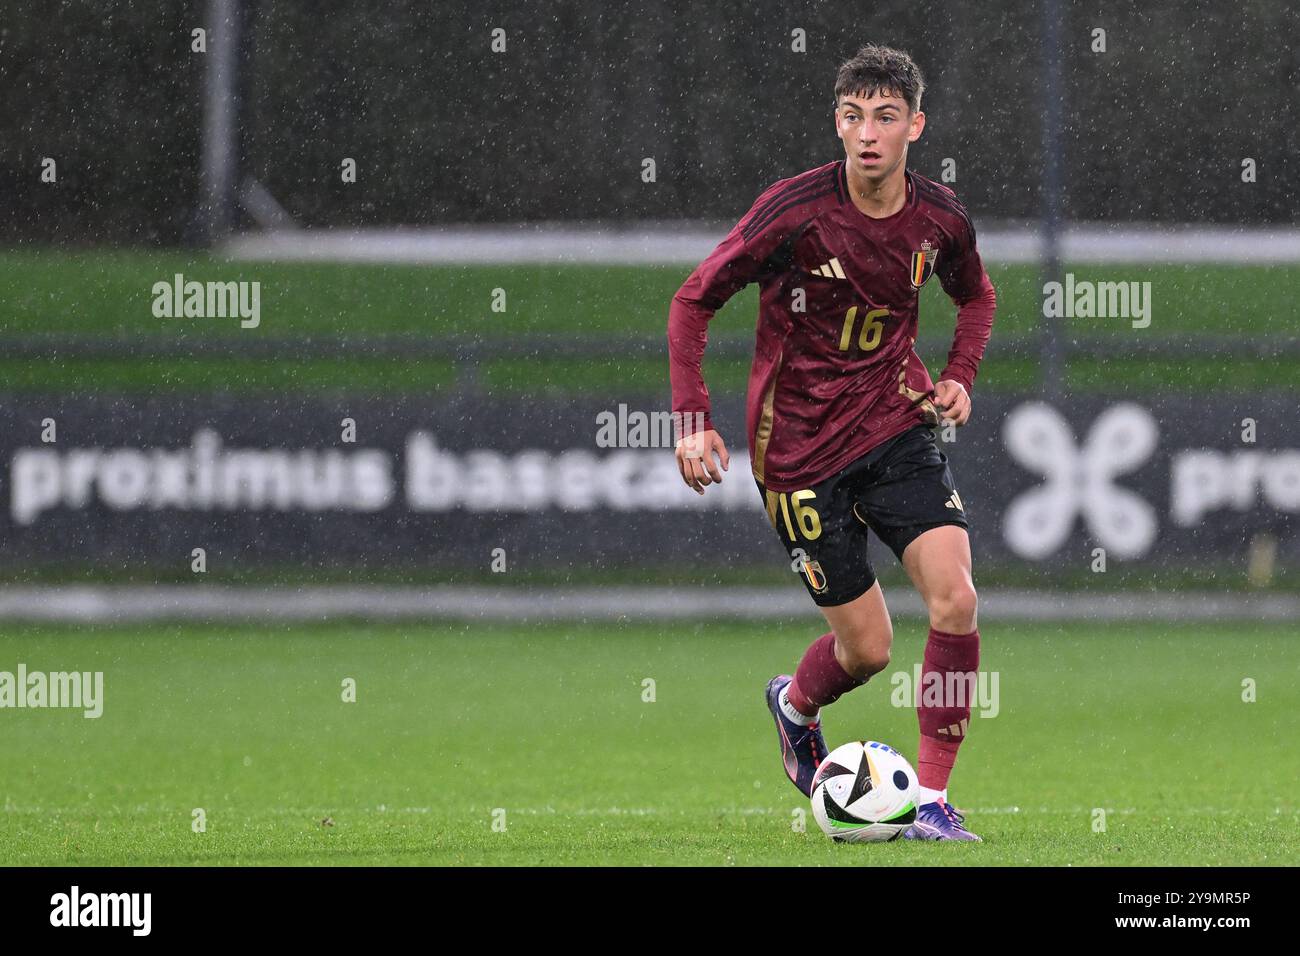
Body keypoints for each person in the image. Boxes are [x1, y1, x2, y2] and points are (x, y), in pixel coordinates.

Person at [666, 44, 996, 840]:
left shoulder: (940, 218)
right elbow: (691, 301)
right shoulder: (795, 211)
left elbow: (977, 297)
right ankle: (796, 705)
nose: (869, 133)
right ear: (837, 124)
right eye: (854, 117)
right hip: (799, 454)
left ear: (915, 125)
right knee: (870, 649)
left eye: (887, 117)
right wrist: (690, 419)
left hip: (894, 425)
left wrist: (959, 375)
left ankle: (932, 800)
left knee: (956, 600)